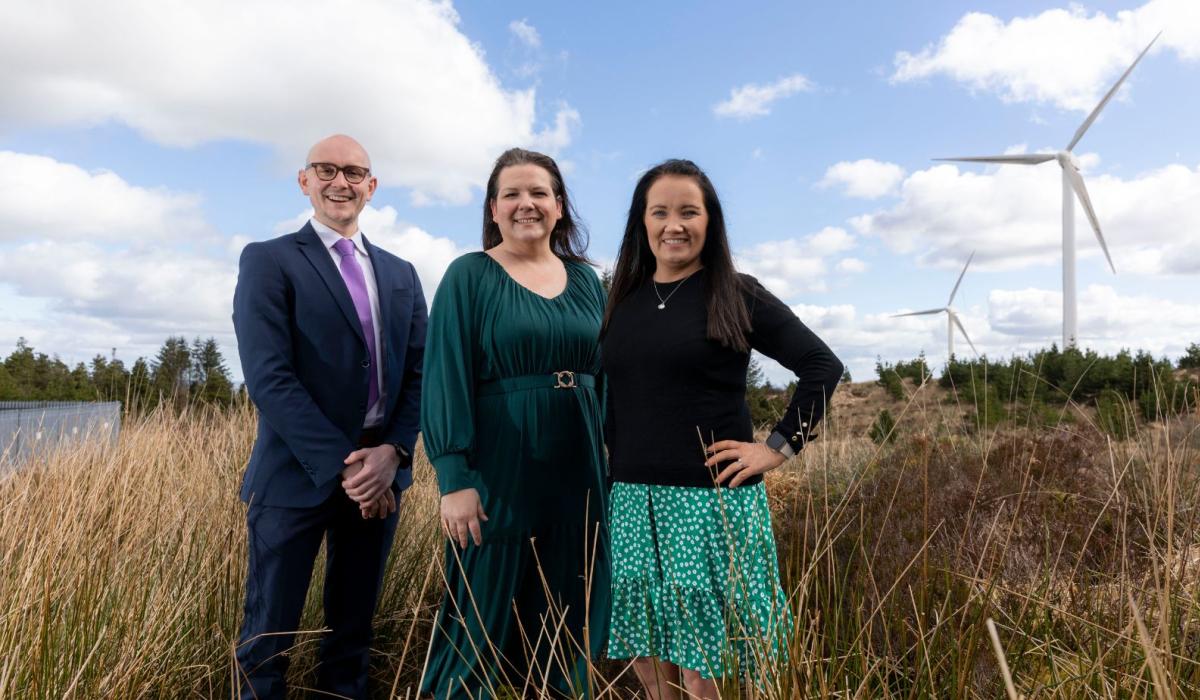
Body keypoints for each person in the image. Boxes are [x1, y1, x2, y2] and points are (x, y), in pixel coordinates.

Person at [601, 159, 843, 698]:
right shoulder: (623, 299)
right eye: (659, 212)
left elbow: (823, 366)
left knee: (700, 662)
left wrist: (777, 448)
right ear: (642, 222)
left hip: (710, 503)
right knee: (645, 644)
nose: (674, 225)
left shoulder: (735, 291)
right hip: (633, 501)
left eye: (689, 211)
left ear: (710, 221)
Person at [231, 134, 427, 699]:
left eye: (353, 172)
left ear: (372, 185)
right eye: (326, 169)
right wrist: (346, 466)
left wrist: (392, 453)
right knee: (268, 639)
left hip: (382, 476)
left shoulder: (401, 273)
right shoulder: (269, 260)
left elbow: (419, 374)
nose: (340, 181)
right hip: (296, 475)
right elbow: (269, 378)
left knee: (352, 636)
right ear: (304, 180)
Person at [419, 148, 610, 699]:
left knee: (572, 594)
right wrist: (454, 476)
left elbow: (609, 372)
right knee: (484, 600)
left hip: (580, 458)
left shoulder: (587, 281)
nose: (526, 203)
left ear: (559, 207)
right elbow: (445, 374)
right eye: (512, 194)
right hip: (500, 458)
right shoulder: (469, 275)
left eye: (539, 193)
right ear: (494, 208)